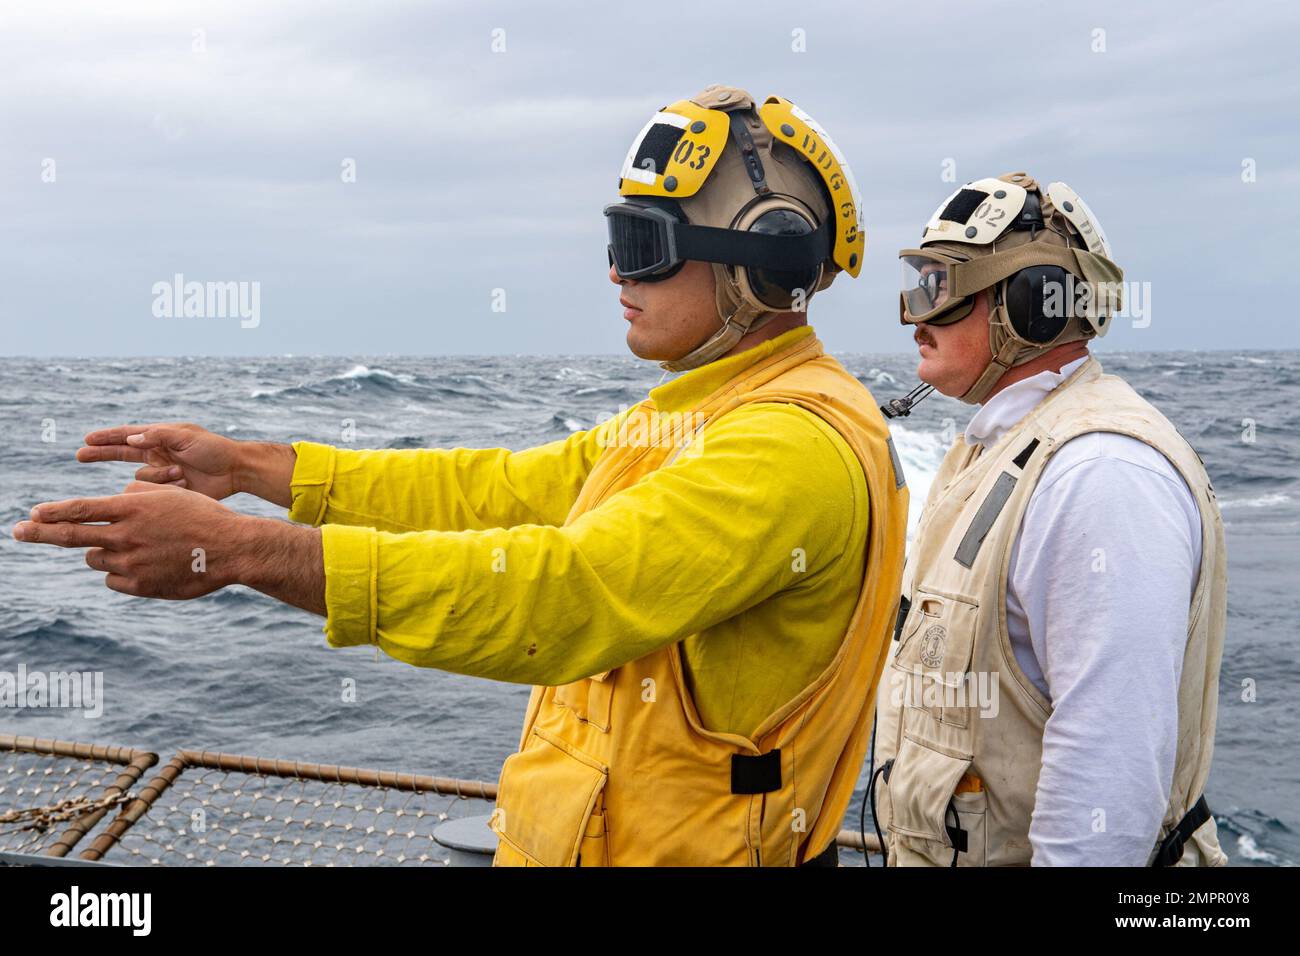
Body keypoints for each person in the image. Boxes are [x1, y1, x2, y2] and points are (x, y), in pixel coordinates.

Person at [13, 85, 909, 867]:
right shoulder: (705, 413)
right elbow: (497, 491)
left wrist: (248, 555)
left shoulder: (786, 444)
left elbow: (563, 598)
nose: (615, 270)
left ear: (767, 260)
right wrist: (252, 468)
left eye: (645, 243)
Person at [871, 172, 1227, 866]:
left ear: (1028, 305)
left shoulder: (1099, 474)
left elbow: (1107, 775)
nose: (913, 316)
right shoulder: (999, 446)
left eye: (937, 288)